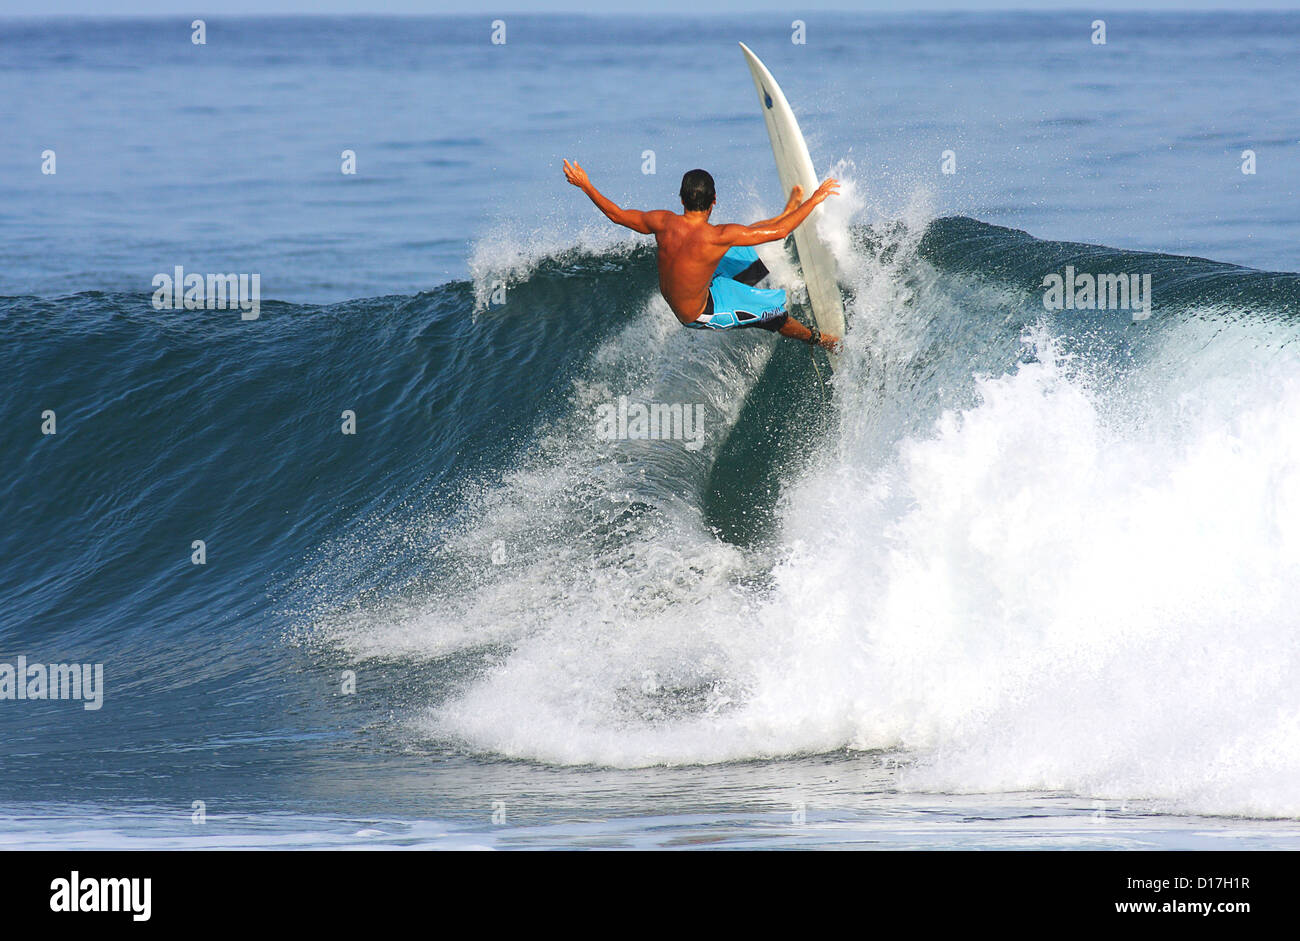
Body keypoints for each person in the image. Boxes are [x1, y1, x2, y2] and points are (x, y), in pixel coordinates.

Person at [562, 161, 841, 350]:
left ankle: (784, 211)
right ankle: (820, 340)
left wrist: (586, 184)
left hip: (698, 287)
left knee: (740, 240)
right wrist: (815, 199)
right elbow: (780, 233)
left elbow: (617, 215)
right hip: (699, 312)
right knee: (775, 313)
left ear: (681, 199)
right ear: (714, 201)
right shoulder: (715, 235)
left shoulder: (662, 222)